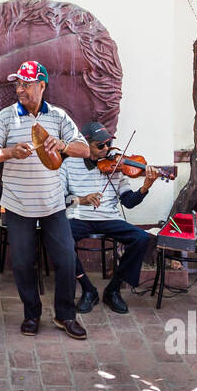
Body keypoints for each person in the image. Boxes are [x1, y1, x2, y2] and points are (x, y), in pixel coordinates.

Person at [0, 60, 90, 339]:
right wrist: (8, 153)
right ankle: (32, 314)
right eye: (18, 83)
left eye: (26, 84)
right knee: (22, 263)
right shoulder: (7, 116)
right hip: (18, 205)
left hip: (53, 204)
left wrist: (63, 145)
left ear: (41, 85)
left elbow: (85, 149)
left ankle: (65, 315)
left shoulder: (58, 116)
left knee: (66, 259)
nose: (20, 89)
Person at [63, 122, 161, 315]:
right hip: (79, 216)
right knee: (60, 238)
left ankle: (113, 289)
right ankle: (88, 289)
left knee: (141, 238)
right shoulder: (68, 164)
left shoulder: (116, 166)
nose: (107, 149)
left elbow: (129, 202)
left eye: (108, 144)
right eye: (101, 145)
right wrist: (81, 200)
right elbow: (61, 198)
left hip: (109, 217)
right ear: (85, 144)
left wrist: (145, 186)